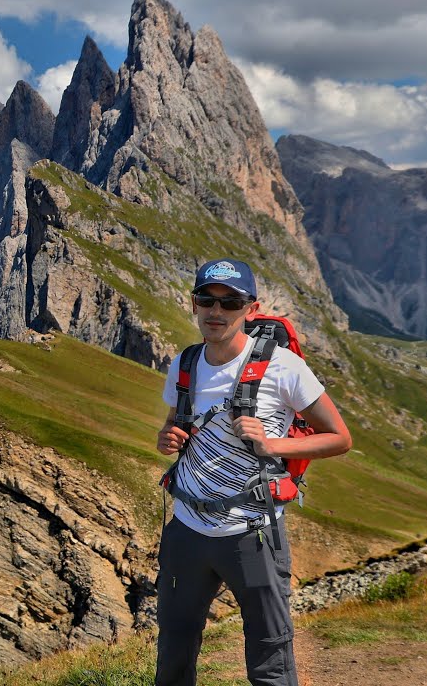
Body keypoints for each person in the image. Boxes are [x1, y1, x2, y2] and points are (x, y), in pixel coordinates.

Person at [154, 258, 351, 686]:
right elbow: (174, 423)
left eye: (231, 302)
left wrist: (274, 445)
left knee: (269, 656)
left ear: (251, 308)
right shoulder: (185, 363)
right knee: (173, 648)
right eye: (206, 299)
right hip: (186, 529)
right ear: (193, 303)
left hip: (253, 532)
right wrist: (167, 437)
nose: (216, 311)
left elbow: (339, 438)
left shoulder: (284, 367)